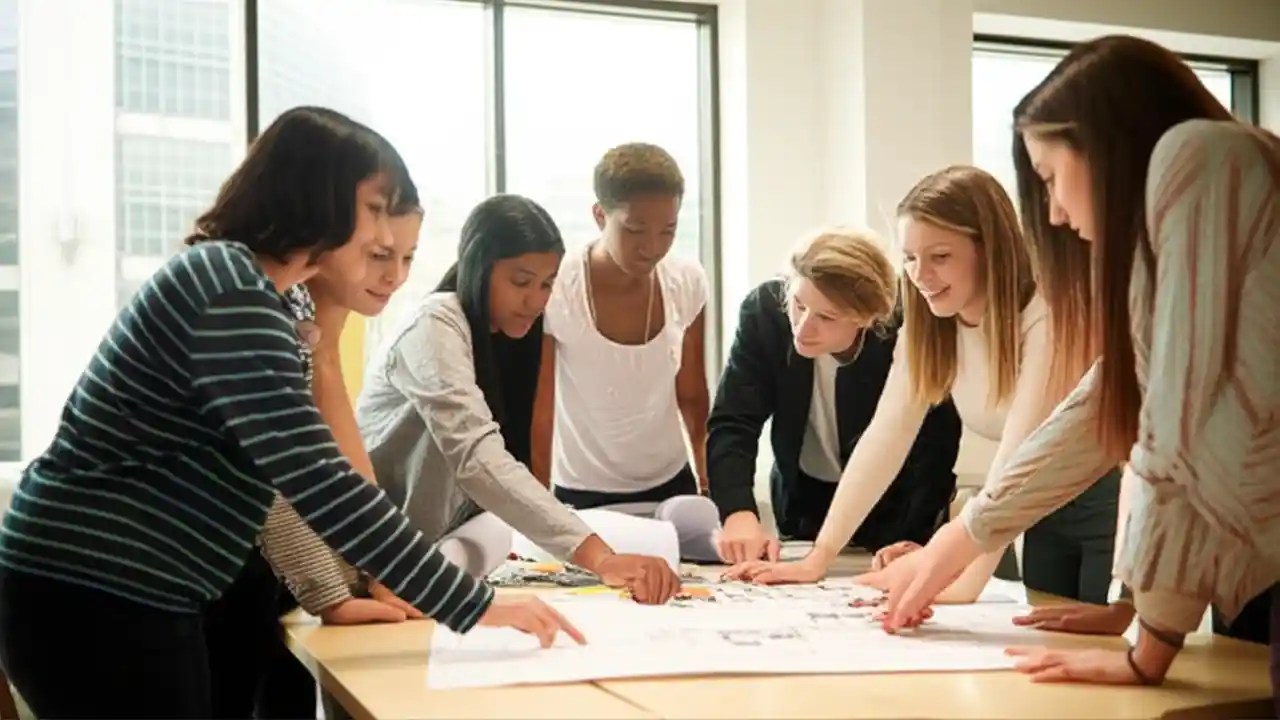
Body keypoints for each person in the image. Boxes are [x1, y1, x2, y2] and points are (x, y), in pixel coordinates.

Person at [0, 106, 580, 719]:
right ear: (319, 198)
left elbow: (313, 475)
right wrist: (475, 605)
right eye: (376, 209)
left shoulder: (268, 300)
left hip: (129, 588)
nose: (386, 238)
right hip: (94, 587)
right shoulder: (230, 290)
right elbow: (320, 480)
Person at [858, 36, 1279, 708]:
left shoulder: (1198, 156)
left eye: (1051, 177)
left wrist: (1150, 644)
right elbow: (1107, 409)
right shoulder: (1200, 193)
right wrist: (1128, 604)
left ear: (1109, 141)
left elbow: (1179, 419)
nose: (1051, 212)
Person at [727, 167, 1121, 605]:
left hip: (1098, 500)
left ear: (989, 248)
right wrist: (818, 558)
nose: (920, 275)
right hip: (1026, 508)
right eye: (910, 258)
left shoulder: (1046, 314)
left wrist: (959, 584)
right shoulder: (932, 318)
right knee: (1051, 640)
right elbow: (887, 434)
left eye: (940, 257)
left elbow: (1018, 456)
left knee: (1104, 646)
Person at [356, 193, 682, 603]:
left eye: (547, 284)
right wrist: (601, 559)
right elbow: (475, 456)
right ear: (479, 267)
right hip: (375, 545)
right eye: (521, 281)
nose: (536, 299)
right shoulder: (434, 323)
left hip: (443, 536)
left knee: (501, 533)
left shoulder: (510, 334)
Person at [200, 197, 428, 720]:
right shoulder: (248, 302)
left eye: (408, 258)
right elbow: (275, 469)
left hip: (258, 561)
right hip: (198, 566)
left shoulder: (304, 303)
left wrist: (380, 562)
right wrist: (336, 586)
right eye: (377, 254)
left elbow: (329, 439)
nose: (393, 276)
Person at [709, 228, 963, 566]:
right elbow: (734, 421)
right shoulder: (765, 314)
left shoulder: (907, 328)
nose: (802, 328)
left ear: (868, 318)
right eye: (798, 305)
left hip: (896, 510)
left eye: (826, 317)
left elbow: (935, 442)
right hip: (803, 504)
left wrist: (912, 537)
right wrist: (738, 512)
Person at [531, 143, 720, 562]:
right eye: (635, 230)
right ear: (600, 216)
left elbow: (692, 392)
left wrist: (709, 481)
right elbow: (540, 411)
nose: (652, 247)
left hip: (672, 488)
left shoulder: (686, 281)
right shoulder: (558, 286)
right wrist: (538, 514)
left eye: (667, 230)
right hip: (583, 494)